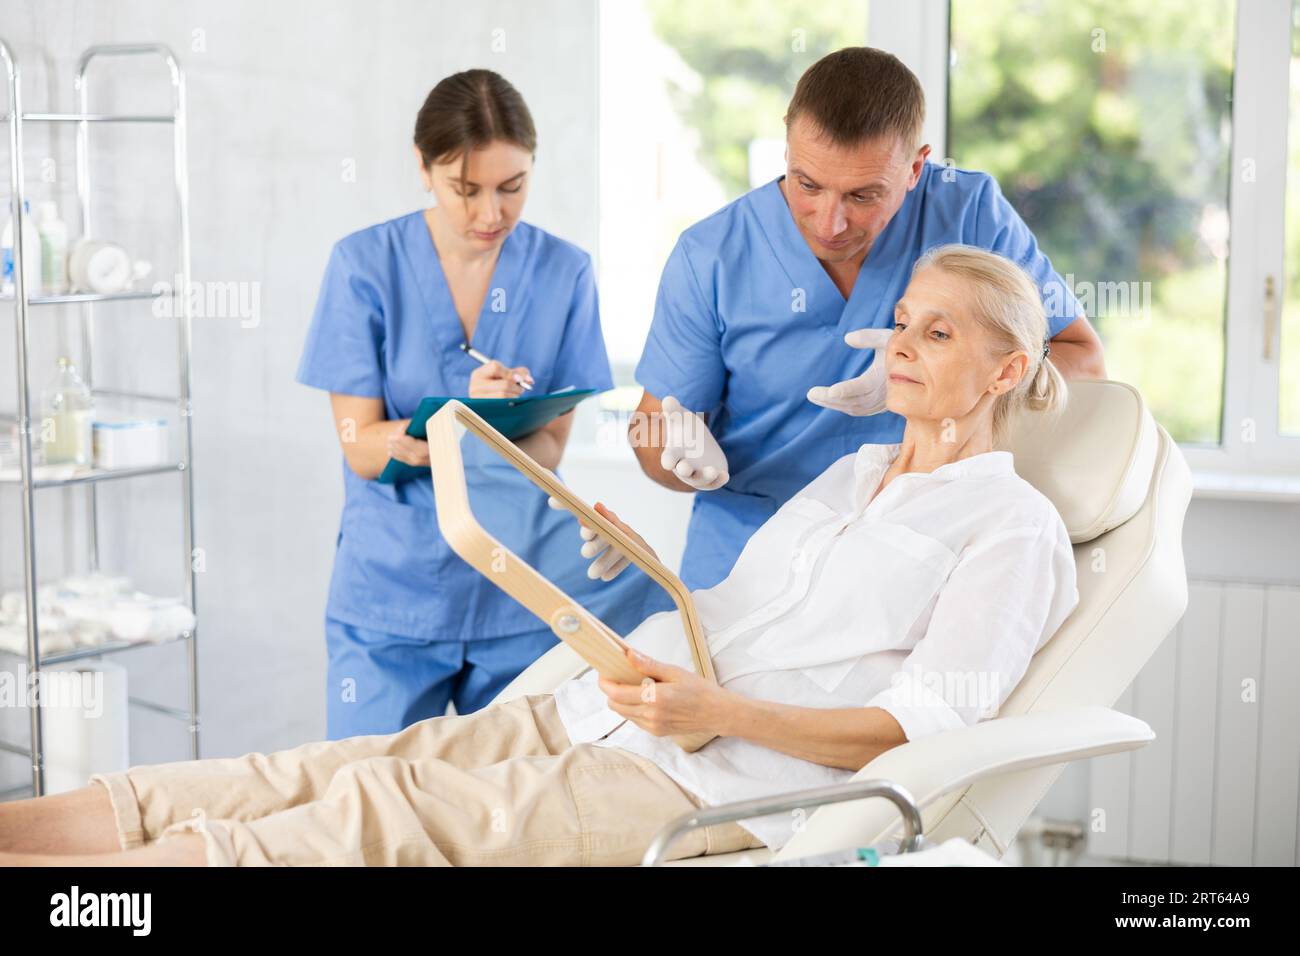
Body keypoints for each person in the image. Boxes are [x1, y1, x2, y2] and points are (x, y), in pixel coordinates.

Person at [1, 246, 1078, 866]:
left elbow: (917, 730)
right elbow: (736, 616)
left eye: (936, 333)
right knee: (312, 770)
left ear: (1003, 370)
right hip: (599, 707)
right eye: (901, 321)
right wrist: (629, 561)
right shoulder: (849, 477)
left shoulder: (1009, 529)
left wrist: (719, 713)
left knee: (371, 820)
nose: (898, 342)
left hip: (705, 778)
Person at [627, 46, 1106, 591]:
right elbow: (651, 428)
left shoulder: (967, 213)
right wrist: (677, 456)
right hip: (751, 551)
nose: (829, 222)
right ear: (787, 148)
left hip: (917, 542)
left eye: (863, 195)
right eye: (807, 184)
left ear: (916, 168)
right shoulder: (711, 254)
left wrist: (955, 381)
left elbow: (1079, 356)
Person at [295, 69, 670, 739]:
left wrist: (494, 426)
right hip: (392, 595)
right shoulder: (363, 266)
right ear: (423, 167)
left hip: (519, 589)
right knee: (367, 800)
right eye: (465, 190)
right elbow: (359, 445)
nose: (490, 214)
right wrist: (449, 422)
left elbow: (551, 449)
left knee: (508, 808)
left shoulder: (564, 272)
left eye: (512, 187)